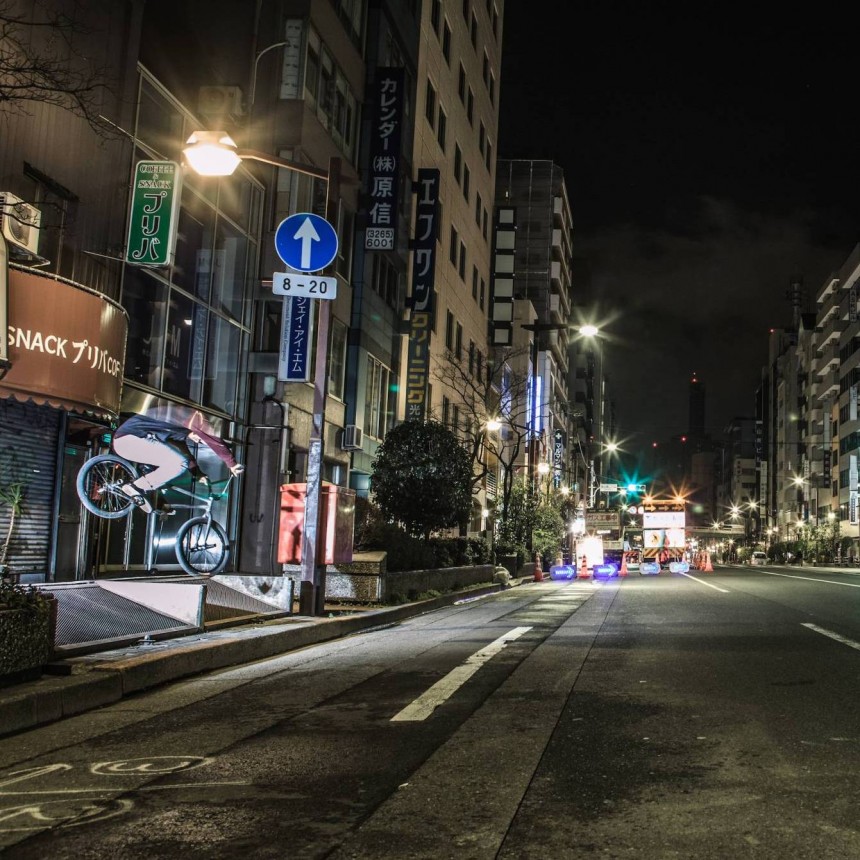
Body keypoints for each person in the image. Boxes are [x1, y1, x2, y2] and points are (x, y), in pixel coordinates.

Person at [112, 410, 243, 514]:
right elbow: (214, 441)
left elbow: (182, 448)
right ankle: (137, 487)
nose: (199, 442)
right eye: (201, 439)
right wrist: (231, 463)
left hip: (129, 441)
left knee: (174, 464)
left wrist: (196, 473)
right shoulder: (196, 419)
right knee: (178, 463)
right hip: (129, 440)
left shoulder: (181, 429)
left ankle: (153, 497)